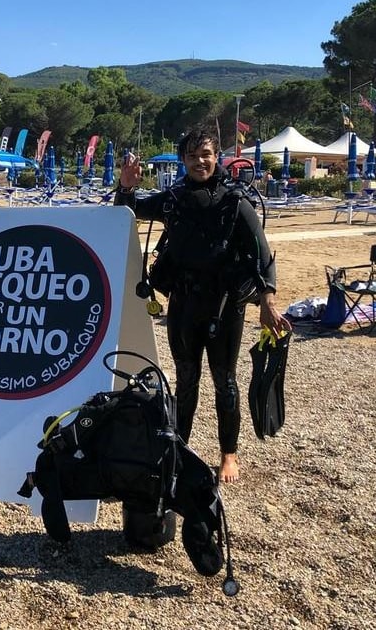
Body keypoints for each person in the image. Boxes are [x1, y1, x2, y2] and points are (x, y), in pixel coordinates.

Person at [114, 127, 291, 483]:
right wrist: (127, 186)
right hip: (183, 302)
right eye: (193, 156)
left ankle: (229, 454)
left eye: (206, 154)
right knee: (186, 381)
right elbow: (126, 211)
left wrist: (267, 303)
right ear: (183, 160)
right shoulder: (174, 200)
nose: (200, 162)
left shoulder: (235, 202)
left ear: (217, 157)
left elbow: (262, 256)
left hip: (224, 306)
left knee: (225, 382)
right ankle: (179, 448)